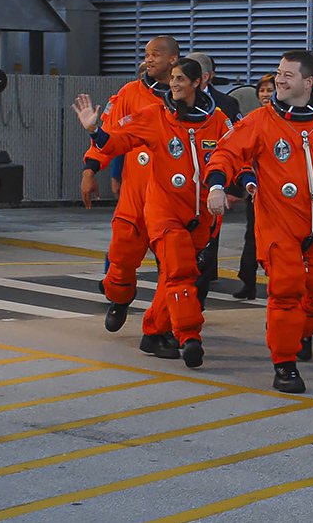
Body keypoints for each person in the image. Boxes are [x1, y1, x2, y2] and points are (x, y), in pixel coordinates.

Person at [205, 50, 313, 393]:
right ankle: (284, 364)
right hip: (279, 224)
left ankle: (295, 335)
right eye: (278, 73)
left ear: (308, 83)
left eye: (288, 75)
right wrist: (217, 186)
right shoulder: (260, 121)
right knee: (285, 291)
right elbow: (225, 153)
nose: (279, 80)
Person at [72, 58, 240, 368]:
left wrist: (235, 187)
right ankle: (181, 332)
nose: (173, 84)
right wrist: (95, 132)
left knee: (178, 276)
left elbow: (234, 154)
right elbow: (117, 141)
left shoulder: (217, 119)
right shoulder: (151, 112)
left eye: (180, 78)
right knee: (162, 267)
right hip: (157, 206)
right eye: (172, 78)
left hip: (202, 212)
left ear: (198, 82)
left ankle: (154, 331)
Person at [81, 36, 178, 327]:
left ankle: (163, 327)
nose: (149, 60)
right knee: (121, 260)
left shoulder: (186, 100)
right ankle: (120, 298)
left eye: (156, 55)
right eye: (146, 55)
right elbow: (107, 136)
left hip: (172, 200)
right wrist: (90, 170)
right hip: (135, 197)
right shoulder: (129, 94)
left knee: (174, 268)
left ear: (173, 60)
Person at [187, 52, 243, 307]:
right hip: (177, 189)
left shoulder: (227, 105)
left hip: (213, 188)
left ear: (205, 77)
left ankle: (200, 293)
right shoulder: (170, 101)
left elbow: (237, 147)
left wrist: (232, 188)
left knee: (208, 243)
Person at [233, 71, 277, 300]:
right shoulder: (252, 120)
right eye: (262, 90)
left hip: (279, 191)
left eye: (270, 90)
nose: (266, 94)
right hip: (256, 189)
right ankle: (247, 281)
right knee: (252, 235)